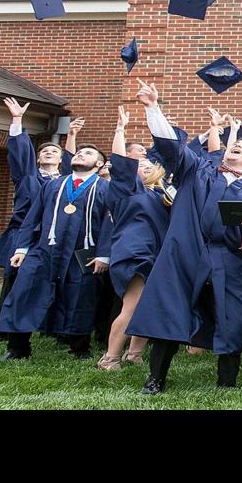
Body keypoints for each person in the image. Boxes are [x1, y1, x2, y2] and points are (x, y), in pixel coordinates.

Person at [125, 78, 242, 393]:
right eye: (238, 142)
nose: (240, 145)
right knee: (170, 310)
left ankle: (227, 382)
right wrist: (154, 109)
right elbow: (172, 149)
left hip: (229, 259)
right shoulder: (198, 171)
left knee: (231, 318)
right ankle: (155, 379)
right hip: (185, 252)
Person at [0, 112, 115, 360]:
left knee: (81, 296)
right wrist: (22, 249)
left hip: (85, 251)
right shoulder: (53, 185)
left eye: (89, 154)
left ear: (99, 165)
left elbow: (109, 224)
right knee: (26, 291)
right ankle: (18, 347)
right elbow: (33, 218)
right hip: (45, 249)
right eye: (79, 152)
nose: (81, 154)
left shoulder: (105, 188)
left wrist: (104, 254)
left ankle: (79, 346)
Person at [99, 105, 173, 369]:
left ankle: (135, 354)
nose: (143, 166)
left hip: (158, 254)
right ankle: (110, 357)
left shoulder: (162, 195)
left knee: (149, 305)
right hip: (134, 252)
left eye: (147, 164)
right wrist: (120, 129)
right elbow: (120, 163)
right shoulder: (126, 191)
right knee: (133, 305)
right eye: (138, 164)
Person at [0, 98, 66, 342]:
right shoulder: (28, 178)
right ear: (37, 158)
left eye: (54, 150)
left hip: (52, 238)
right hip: (23, 234)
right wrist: (17, 120)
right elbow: (20, 154)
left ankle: (49, 327)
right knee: (14, 282)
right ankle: (5, 329)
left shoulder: (66, 183)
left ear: (62, 158)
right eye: (44, 151)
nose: (48, 152)